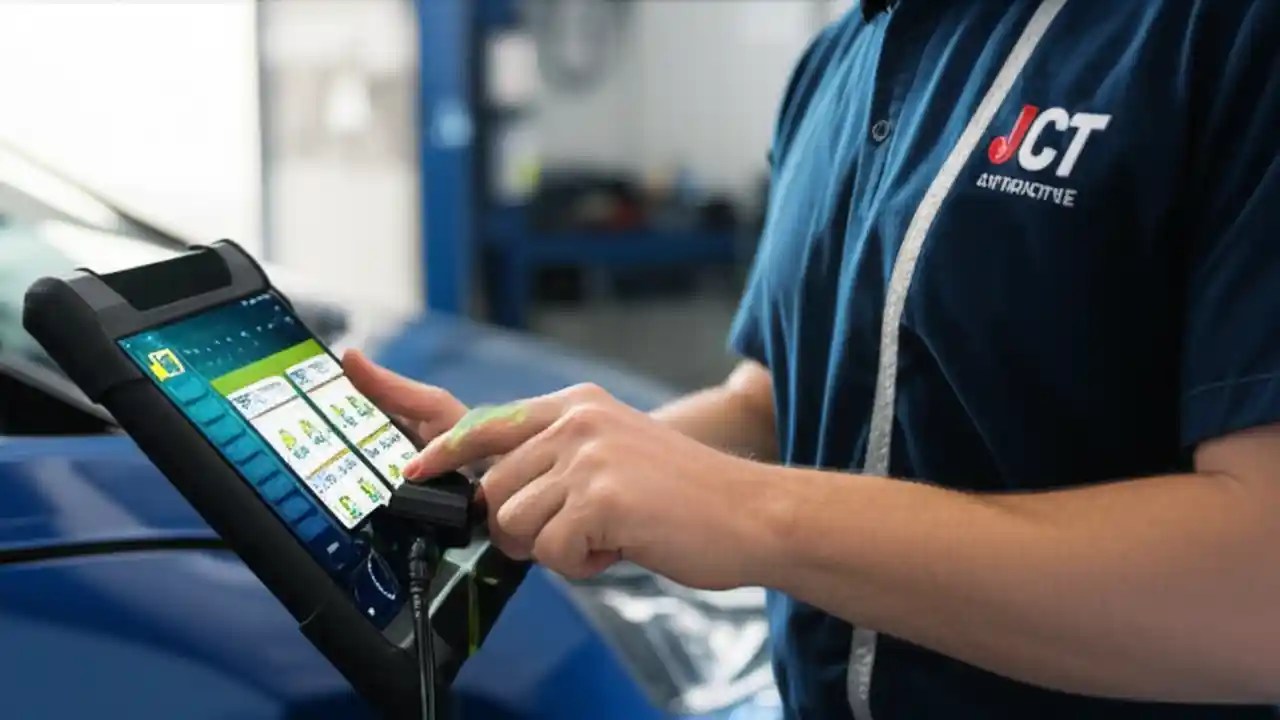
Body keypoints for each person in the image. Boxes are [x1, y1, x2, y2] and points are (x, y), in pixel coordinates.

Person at [347, 1, 1280, 717]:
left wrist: (752, 515)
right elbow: (777, 400)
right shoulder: (840, 62)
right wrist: (541, 463)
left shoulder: (1220, 35)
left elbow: (1257, 590)